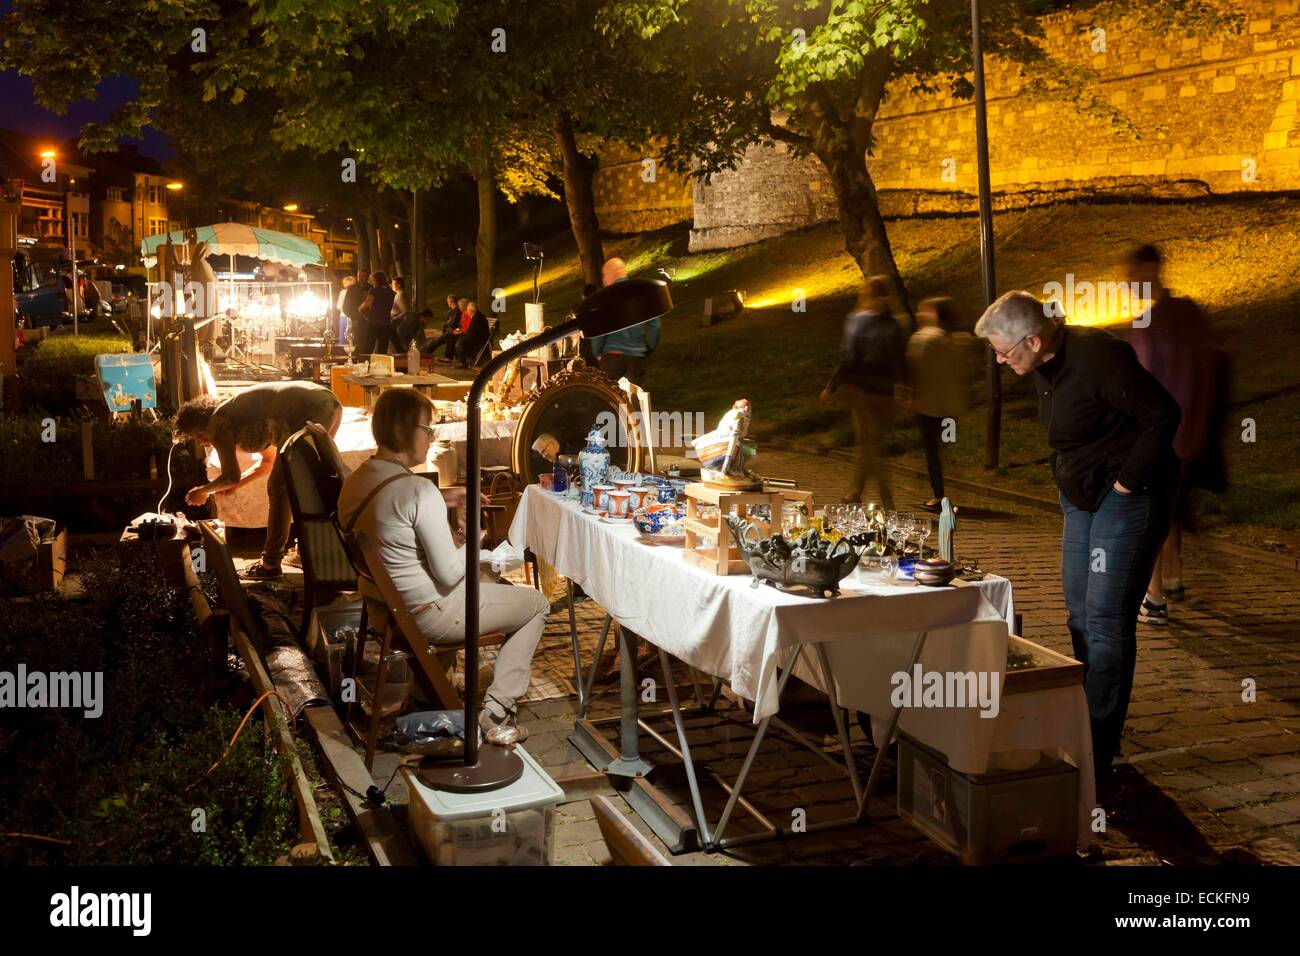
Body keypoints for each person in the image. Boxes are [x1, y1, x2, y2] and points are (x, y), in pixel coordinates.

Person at [975, 290, 1179, 787]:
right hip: (1080, 498)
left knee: (1108, 622)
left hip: (1126, 498)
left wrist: (1127, 481)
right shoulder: (1041, 362)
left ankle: (1097, 747)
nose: (1000, 362)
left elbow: (1164, 416)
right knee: (1079, 613)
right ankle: (1084, 721)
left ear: (1034, 339)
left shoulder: (1099, 358)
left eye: (1004, 352)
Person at [337, 388, 548, 745]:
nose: (431, 437)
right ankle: (495, 711)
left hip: (384, 610)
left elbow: (396, 515)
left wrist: (444, 498)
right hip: (429, 615)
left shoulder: (357, 480)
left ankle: (430, 695)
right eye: (428, 428)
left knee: (490, 577)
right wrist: (475, 534)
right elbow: (449, 572)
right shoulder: (418, 490)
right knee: (536, 605)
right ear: (405, 431)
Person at [1124, 244, 1217, 624]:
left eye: (1133, 278)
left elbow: (1143, 382)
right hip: (1194, 429)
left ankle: (1155, 598)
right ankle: (1175, 575)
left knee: (1149, 516)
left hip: (1162, 432)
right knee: (1172, 509)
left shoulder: (1148, 323)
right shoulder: (1189, 312)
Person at [177, 381, 343, 580]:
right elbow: (268, 461)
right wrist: (236, 484)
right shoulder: (240, 415)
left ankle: (271, 563)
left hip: (305, 408)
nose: (200, 442)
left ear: (197, 427)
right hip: (328, 403)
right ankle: (313, 551)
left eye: (195, 437)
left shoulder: (217, 423)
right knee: (306, 480)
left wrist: (204, 490)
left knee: (279, 487)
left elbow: (230, 476)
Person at [820, 275, 906, 508]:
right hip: (884, 392)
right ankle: (856, 489)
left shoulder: (857, 320)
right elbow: (899, 362)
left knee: (870, 445)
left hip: (860, 390)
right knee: (870, 441)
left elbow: (849, 358)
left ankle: (886, 498)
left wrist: (831, 386)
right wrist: (903, 390)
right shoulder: (896, 323)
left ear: (865, 294)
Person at [904, 296, 970, 511]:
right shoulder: (956, 339)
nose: (919, 314)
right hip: (949, 404)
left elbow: (914, 371)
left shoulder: (922, 339)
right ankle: (950, 492)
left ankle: (939, 495)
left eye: (924, 310)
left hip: (928, 405)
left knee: (932, 451)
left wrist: (910, 398)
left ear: (934, 314)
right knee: (945, 449)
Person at [590, 258, 660, 385]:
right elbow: (655, 324)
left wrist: (597, 352)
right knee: (634, 397)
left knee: (610, 398)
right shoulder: (639, 291)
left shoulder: (605, 296)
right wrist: (648, 347)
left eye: (604, 275)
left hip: (613, 357)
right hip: (636, 356)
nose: (603, 280)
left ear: (613, 273)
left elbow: (598, 328)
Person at [360, 271, 399, 355]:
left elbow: (364, 307)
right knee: (382, 349)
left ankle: (364, 365)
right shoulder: (391, 293)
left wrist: (367, 316)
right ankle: (381, 366)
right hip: (385, 323)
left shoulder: (374, 291)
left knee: (368, 348)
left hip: (373, 323)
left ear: (376, 280)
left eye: (372, 280)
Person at [454, 300, 489, 368]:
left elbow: (471, 332)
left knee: (461, 341)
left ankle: (463, 363)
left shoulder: (476, 317)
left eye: (467, 310)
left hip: (480, 339)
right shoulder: (477, 315)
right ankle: (464, 359)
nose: (467, 312)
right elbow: (471, 331)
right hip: (478, 337)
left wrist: (464, 335)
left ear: (471, 310)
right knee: (459, 339)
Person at [341, 269, 370, 352]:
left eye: (364, 276)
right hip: (356, 319)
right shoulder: (351, 289)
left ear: (367, 277)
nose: (361, 278)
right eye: (360, 276)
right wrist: (353, 318)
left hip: (369, 320)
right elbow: (346, 306)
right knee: (356, 341)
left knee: (368, 342)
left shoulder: (371, 288)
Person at [390, 276, 419, 350]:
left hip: (398, 323)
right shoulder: (398, 294)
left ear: (399, 285)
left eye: (393, 283)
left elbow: (405, 311)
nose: (392, 285)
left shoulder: (401, 295)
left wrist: (397, 323)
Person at [335, 275, 356, 345]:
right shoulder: (357, 292)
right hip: (354, 317)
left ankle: (341, 353)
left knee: (342, 338)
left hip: (344, 316)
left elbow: (339, 306)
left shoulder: (343, 292)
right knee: (353, 337)